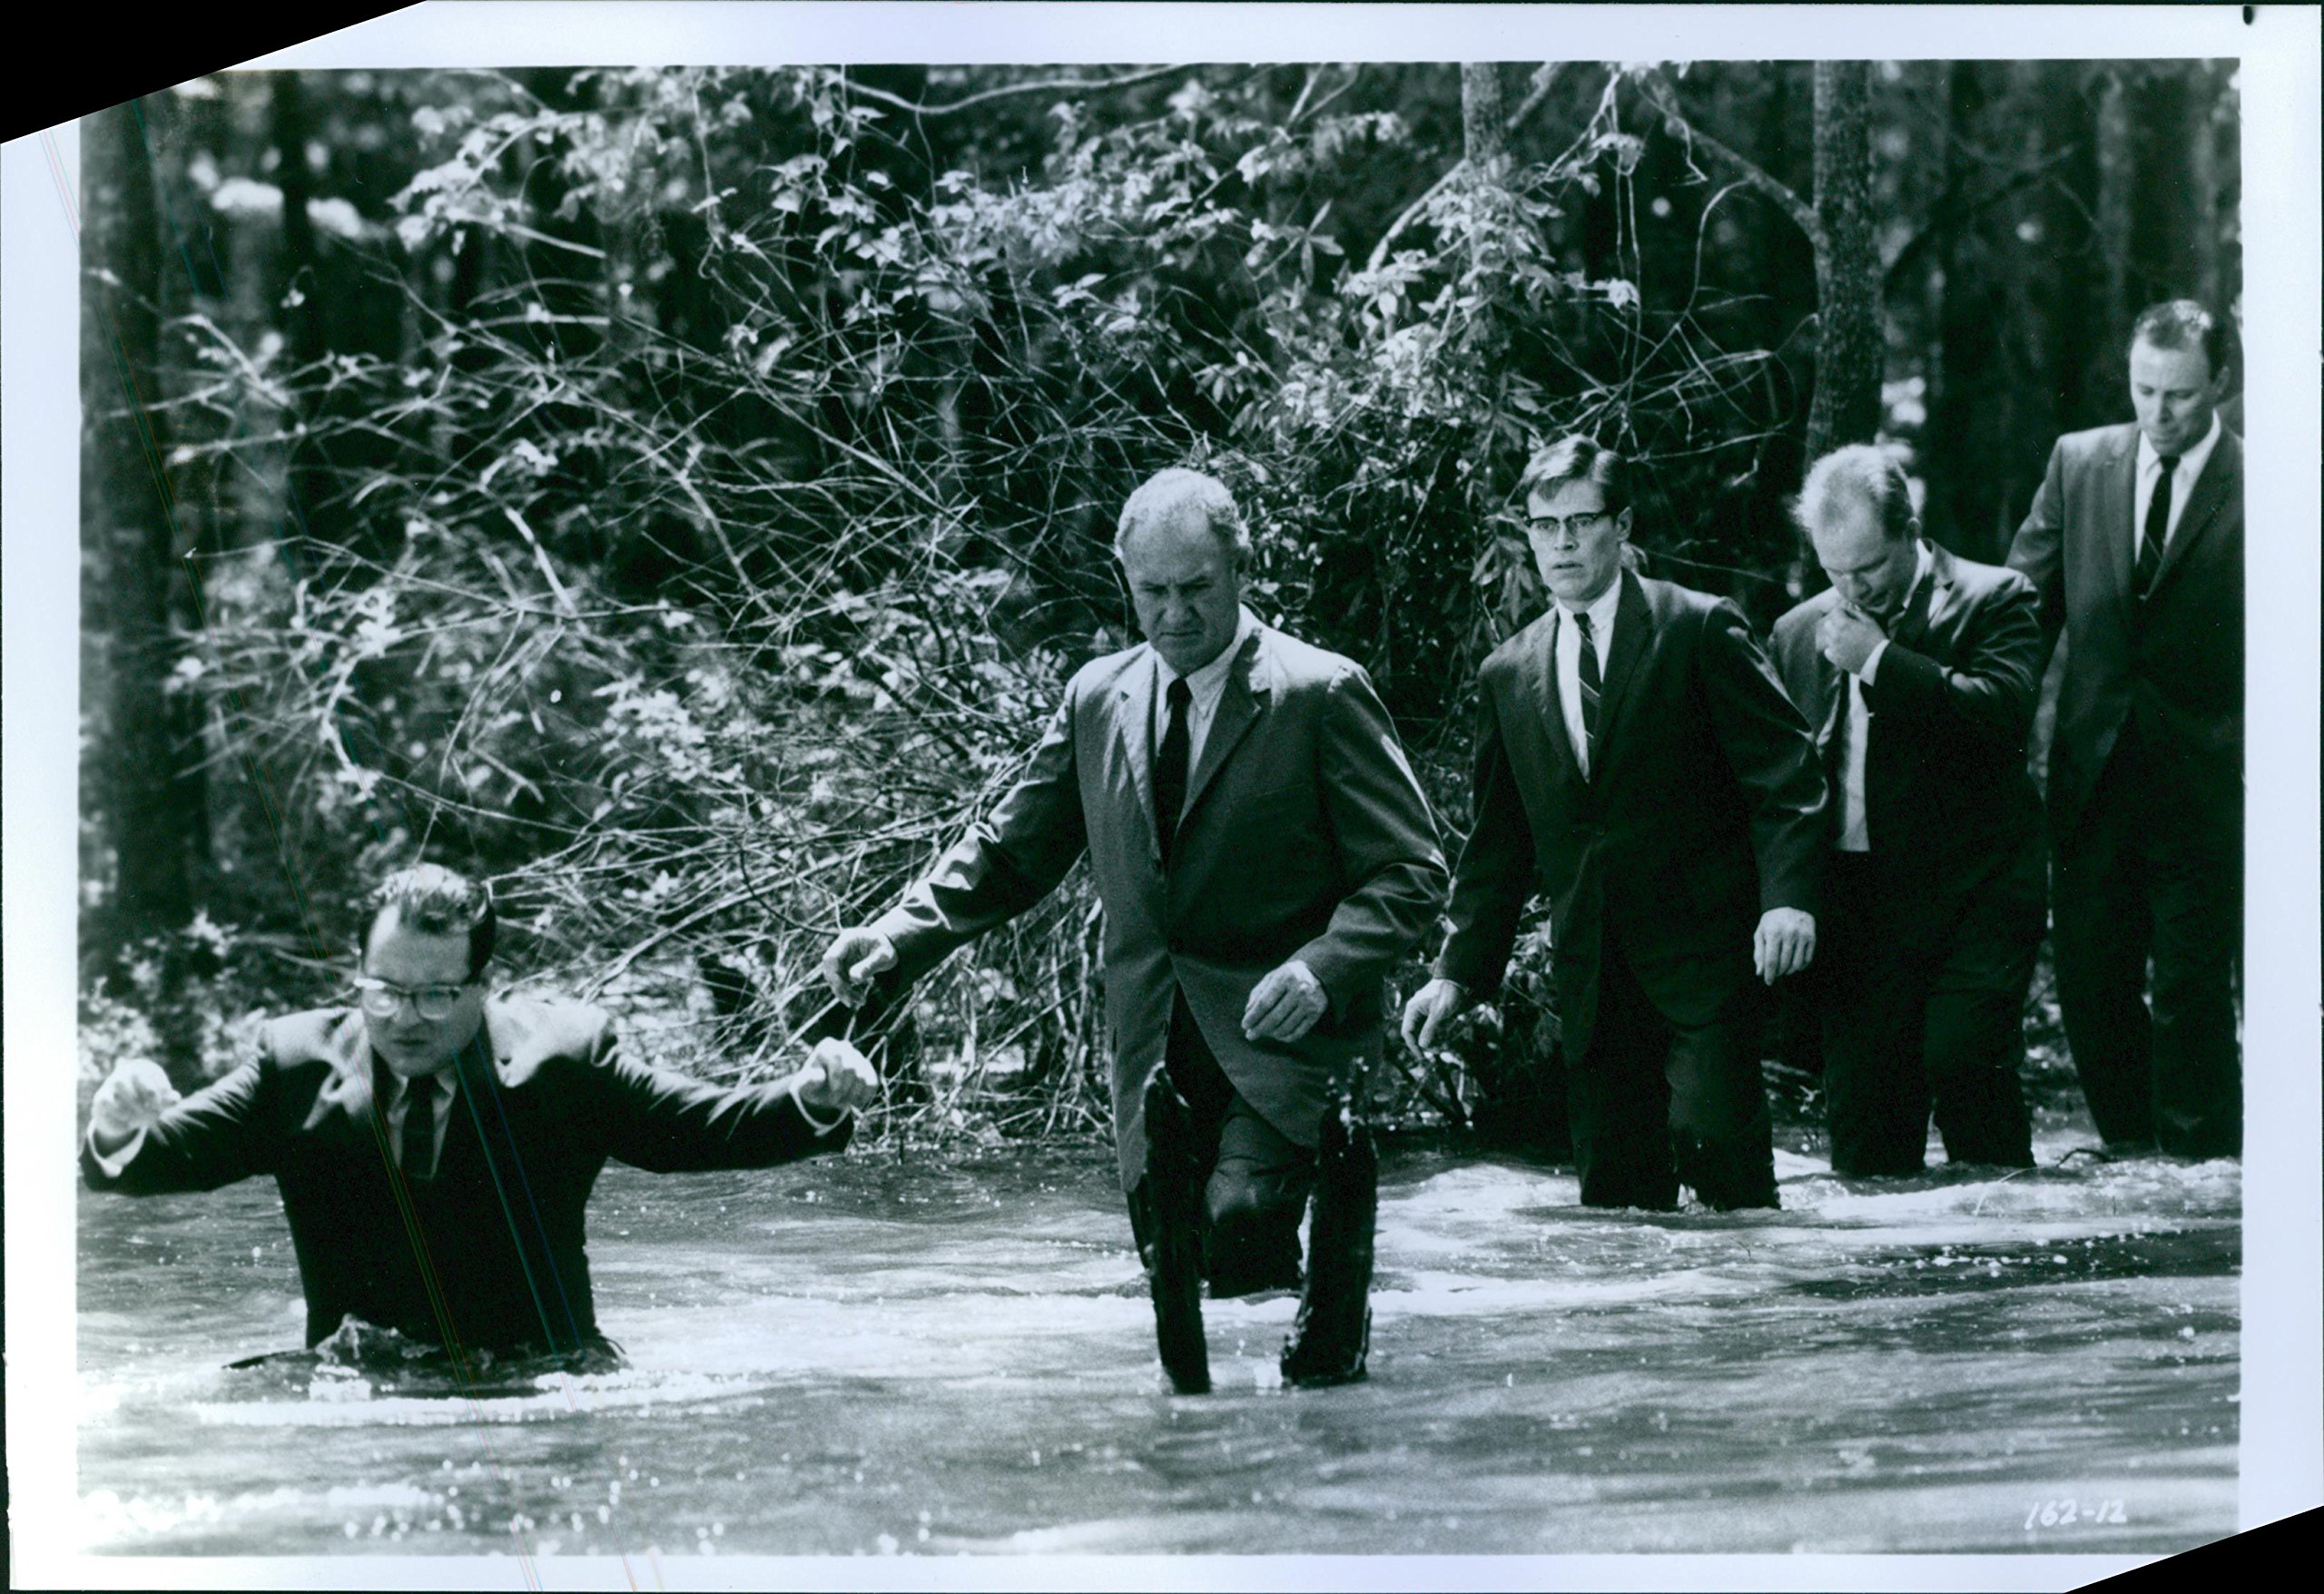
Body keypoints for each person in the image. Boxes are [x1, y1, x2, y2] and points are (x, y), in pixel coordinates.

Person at [821, 467, 1447, 1390]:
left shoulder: (1321, 693)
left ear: (1241, 568)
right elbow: (1008, 851)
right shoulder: (1094, 699)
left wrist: (1322, 967)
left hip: (1286, 1047)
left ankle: (1317, 1438)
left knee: (1241, 1229)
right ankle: (1231, 1488)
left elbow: (1409, 872)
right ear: (1124, 579)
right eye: (1152, 591)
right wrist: (899, 936)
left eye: (1196, 588)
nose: (1175, 613)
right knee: (1177, 1293)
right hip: (1149, 1052)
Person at [84, 863, 877, 1364]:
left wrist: (809, 1097)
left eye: (435, 995)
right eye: (384, 991)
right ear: (358, 977)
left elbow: (698, 1128)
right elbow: (149, 1160)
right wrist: (118, 1118)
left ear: (481, 985)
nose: (404, 1018)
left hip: (545, 1379)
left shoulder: (562, 1059)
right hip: (357, 1386)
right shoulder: (294, 1067)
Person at [1403, 437, 1826, 1212]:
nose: (1560, 543)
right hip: (1595, 983)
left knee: (1722, 1166)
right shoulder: (1509, 672)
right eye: (1543, 526)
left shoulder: (1697, 628)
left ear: (1622, 524)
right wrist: (1458, 973)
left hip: (1704, 963)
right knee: (1616, 1207)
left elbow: (1787, 774)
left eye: (1580, 521)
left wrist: (1787, 898)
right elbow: (1498, 845)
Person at [2005, 300, 2243, 1159]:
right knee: (2091, 986)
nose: (2158, 412)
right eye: (2144, 390)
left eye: (2179, 394)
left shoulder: (2266, 485)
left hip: (2208, 785)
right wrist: (1987, 718)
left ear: (2221, 384)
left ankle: (2201, 1175)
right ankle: (2138, 1164)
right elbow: (2022, 612)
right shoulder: (2080, 464)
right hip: (2092, 776)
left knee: (2189, 993)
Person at [1770, 446, 2046, 1176]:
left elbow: (2003, 713)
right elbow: (1785, 783)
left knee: (1963, 1069)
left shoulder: (1999, 596)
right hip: (1861, 908)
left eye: (1870, 568)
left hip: (1977, 894)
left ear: (1910, 531)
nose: (1853, 590)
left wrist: (1880, 660)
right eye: (1835, 573)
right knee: (1865, 1137)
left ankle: (2014, 1272)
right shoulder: (1799, 631)